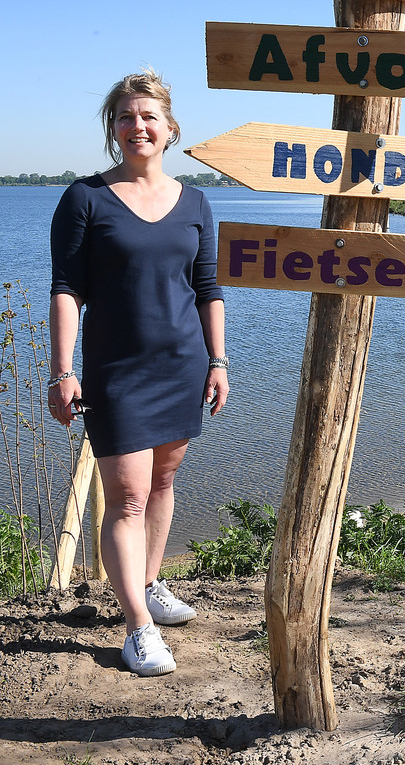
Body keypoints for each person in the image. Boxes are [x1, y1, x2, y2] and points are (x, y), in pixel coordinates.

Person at [48, 69, 228, 677]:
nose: (137, 126)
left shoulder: (198, 202)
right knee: (125, 496)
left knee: (161, 485)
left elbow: (208, 289)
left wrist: (219, 360)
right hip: (116, 371)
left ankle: (148, 583)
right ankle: (137, 627)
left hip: (182, 365)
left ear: (170, 129)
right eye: (126, 117)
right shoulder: (85, 198)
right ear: (113, 130)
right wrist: (62, 370)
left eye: (148, 116)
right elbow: (67, 289)